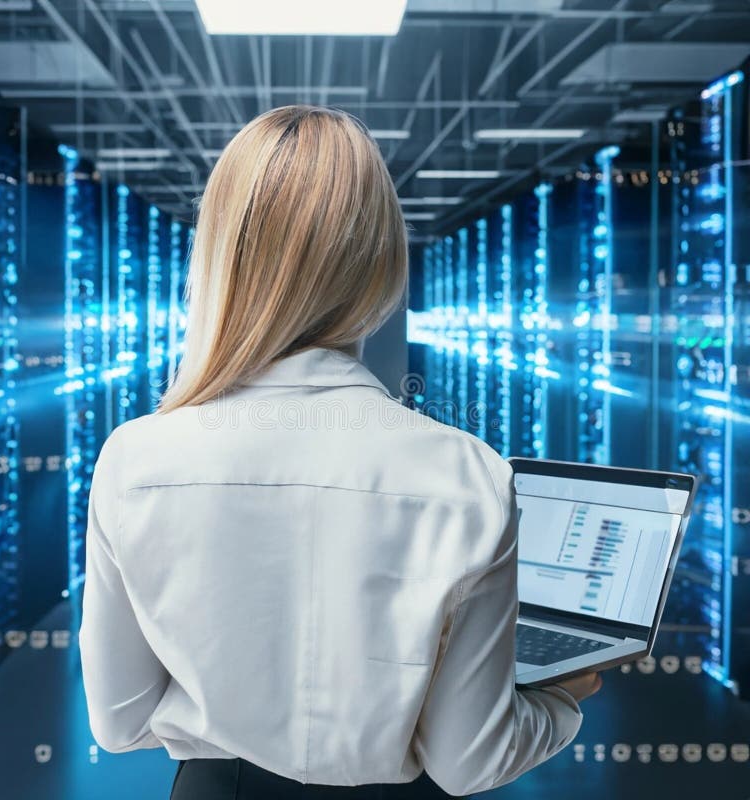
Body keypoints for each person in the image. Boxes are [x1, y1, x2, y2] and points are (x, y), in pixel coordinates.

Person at [78, 105, 601, 800]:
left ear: (219, 259)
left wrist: (231, 717)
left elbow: (119, 722)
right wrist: (562, 699)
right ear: (383, 265)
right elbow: (468, 761)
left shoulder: (135, 461)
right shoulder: (469, 473)